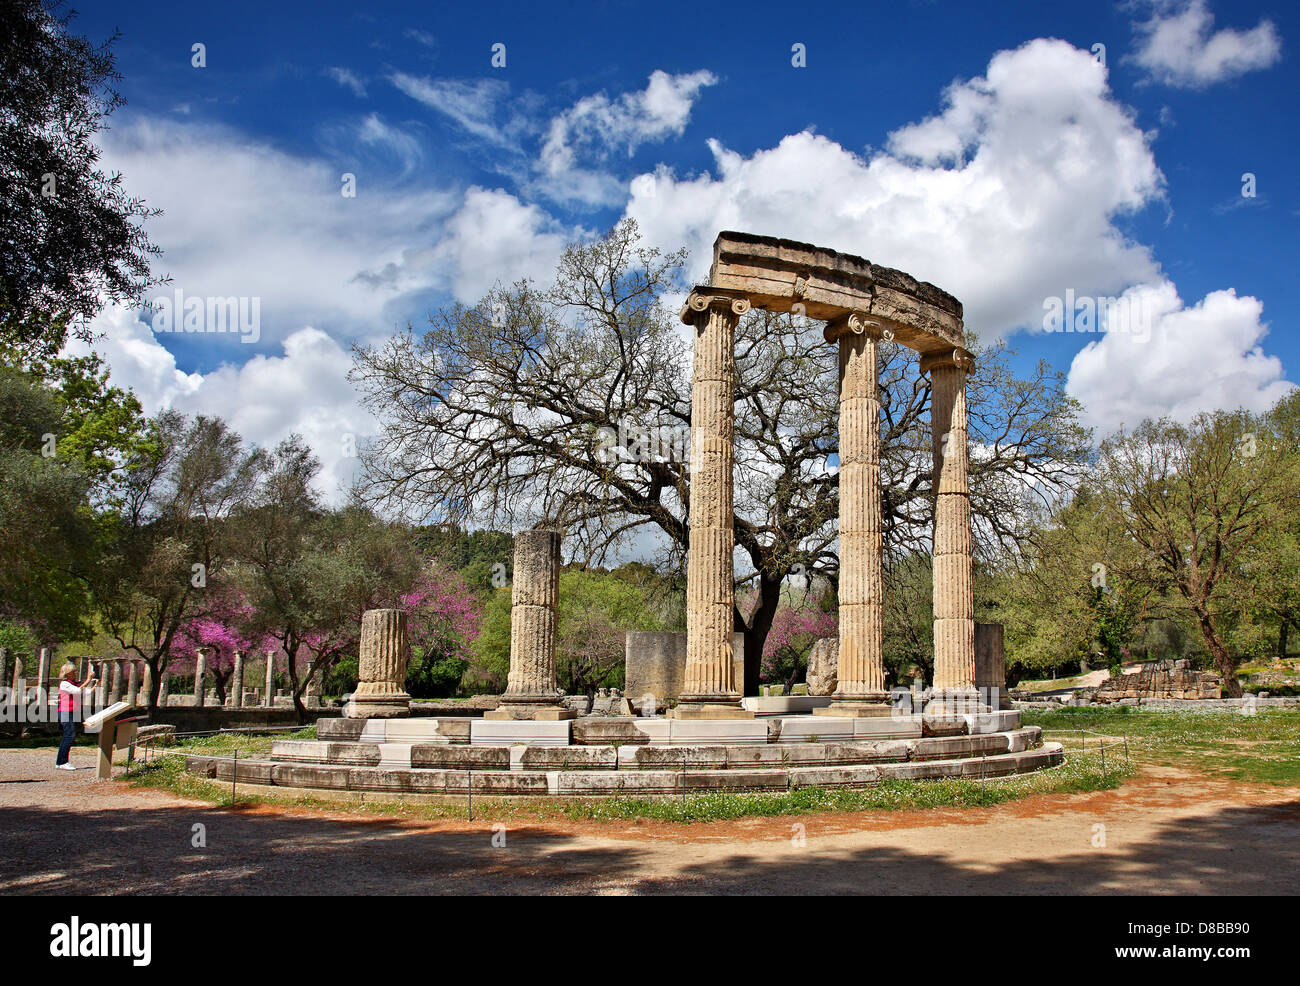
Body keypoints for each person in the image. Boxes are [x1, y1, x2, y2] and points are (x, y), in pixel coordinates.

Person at [56, 662, 96, 770]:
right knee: (69, 735)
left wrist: (94, 685)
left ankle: (60, 761)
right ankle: (63, 761)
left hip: (71, 712)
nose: (75, 673)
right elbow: (78, 691)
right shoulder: (64, 684)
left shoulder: (72, 683)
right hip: (65, 712)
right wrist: (88, 680)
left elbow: (84, 692)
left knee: (68, 736)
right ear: (67, 673)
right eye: (73, 672)